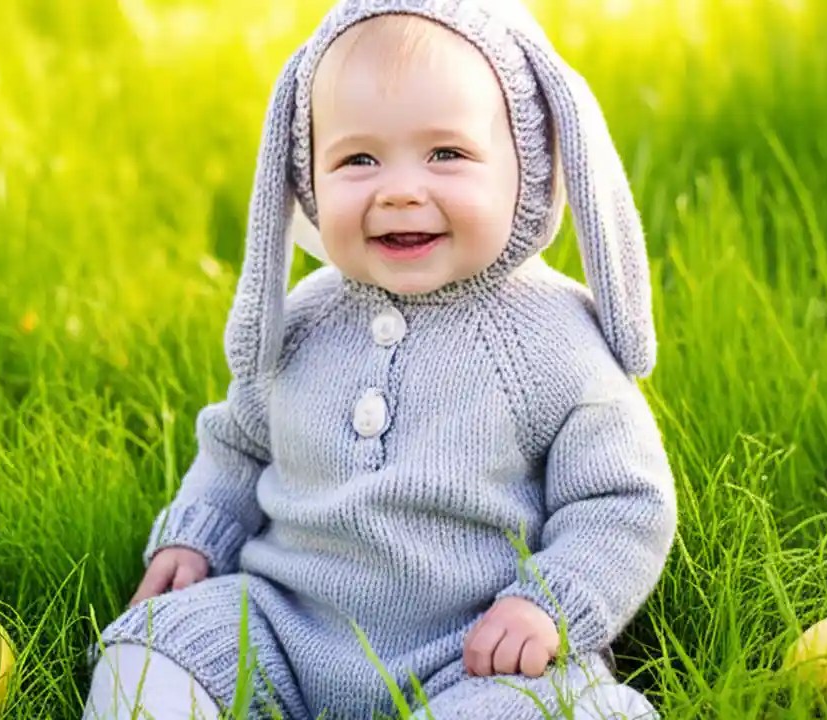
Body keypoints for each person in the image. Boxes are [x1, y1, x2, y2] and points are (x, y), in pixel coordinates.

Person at [83, 0, 676, 717]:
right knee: (154, 653)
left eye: (447, 154)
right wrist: (200, 536)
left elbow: (621, 503)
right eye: (358, 158)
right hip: (287, 624)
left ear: (527, 163)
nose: (398, 189)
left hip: (476, 651)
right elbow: (238, 447)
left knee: (537, 707)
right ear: (306, 178)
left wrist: (548, 605)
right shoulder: (304, 321)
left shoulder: (553, 342)